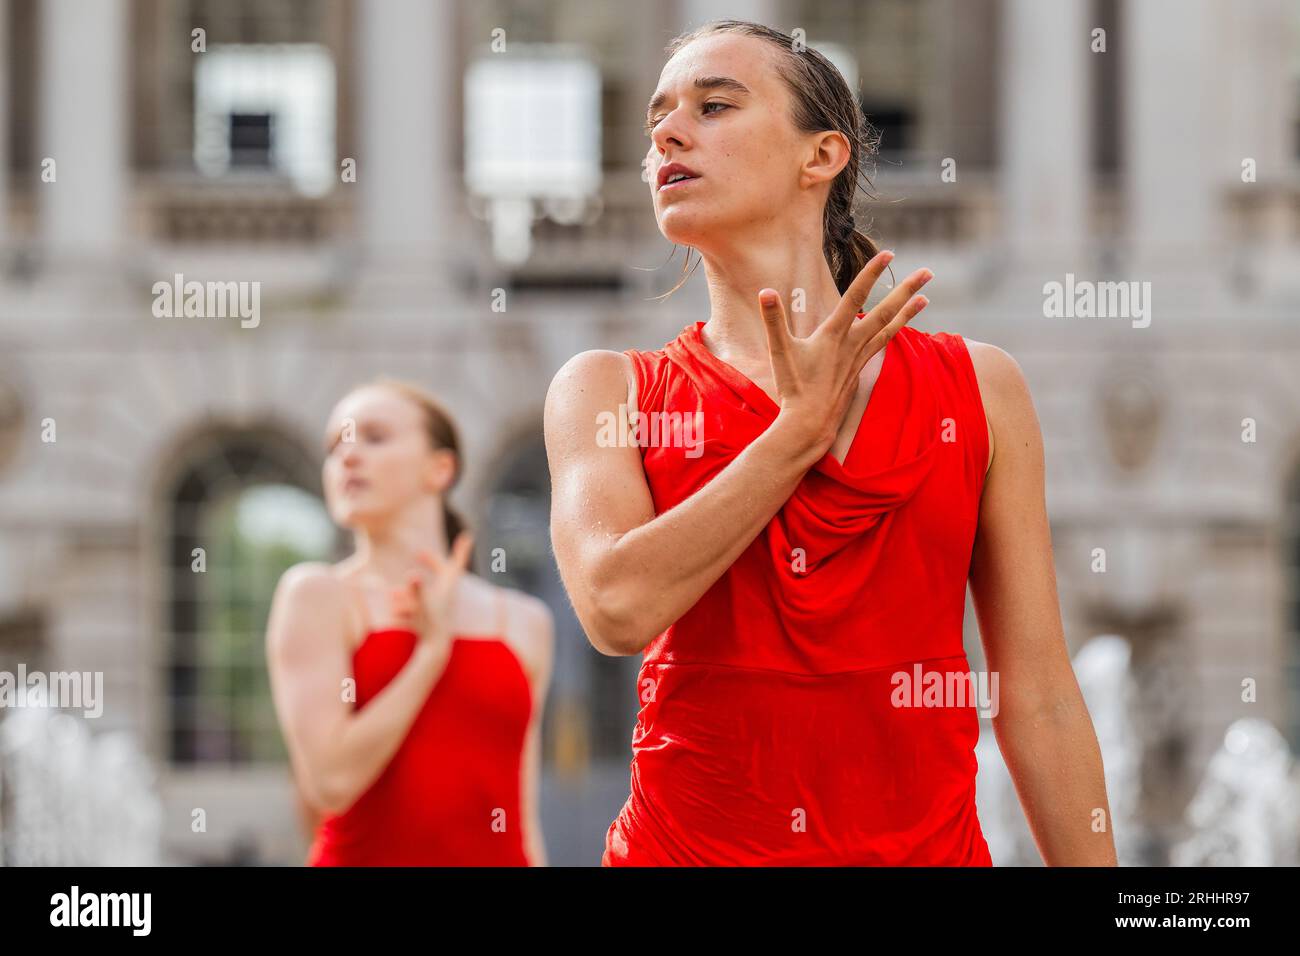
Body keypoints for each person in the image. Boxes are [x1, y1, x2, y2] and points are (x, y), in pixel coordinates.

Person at [544, 20, 1116, 865]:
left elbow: (1038, 696)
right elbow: (616, 607)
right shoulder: (605, 388)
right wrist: (794, 437)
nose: (666, 132)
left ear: (822, 157)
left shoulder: (981, 388)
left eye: (713, 106)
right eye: (658, 118)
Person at [267, 378, 553, 865]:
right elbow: (330, 783)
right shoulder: (316, 594)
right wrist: (430, 654)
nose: (348, 457)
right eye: (336, 446)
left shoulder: (524, 621)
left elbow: (521, 811)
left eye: (374, 437)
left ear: (440, 468)